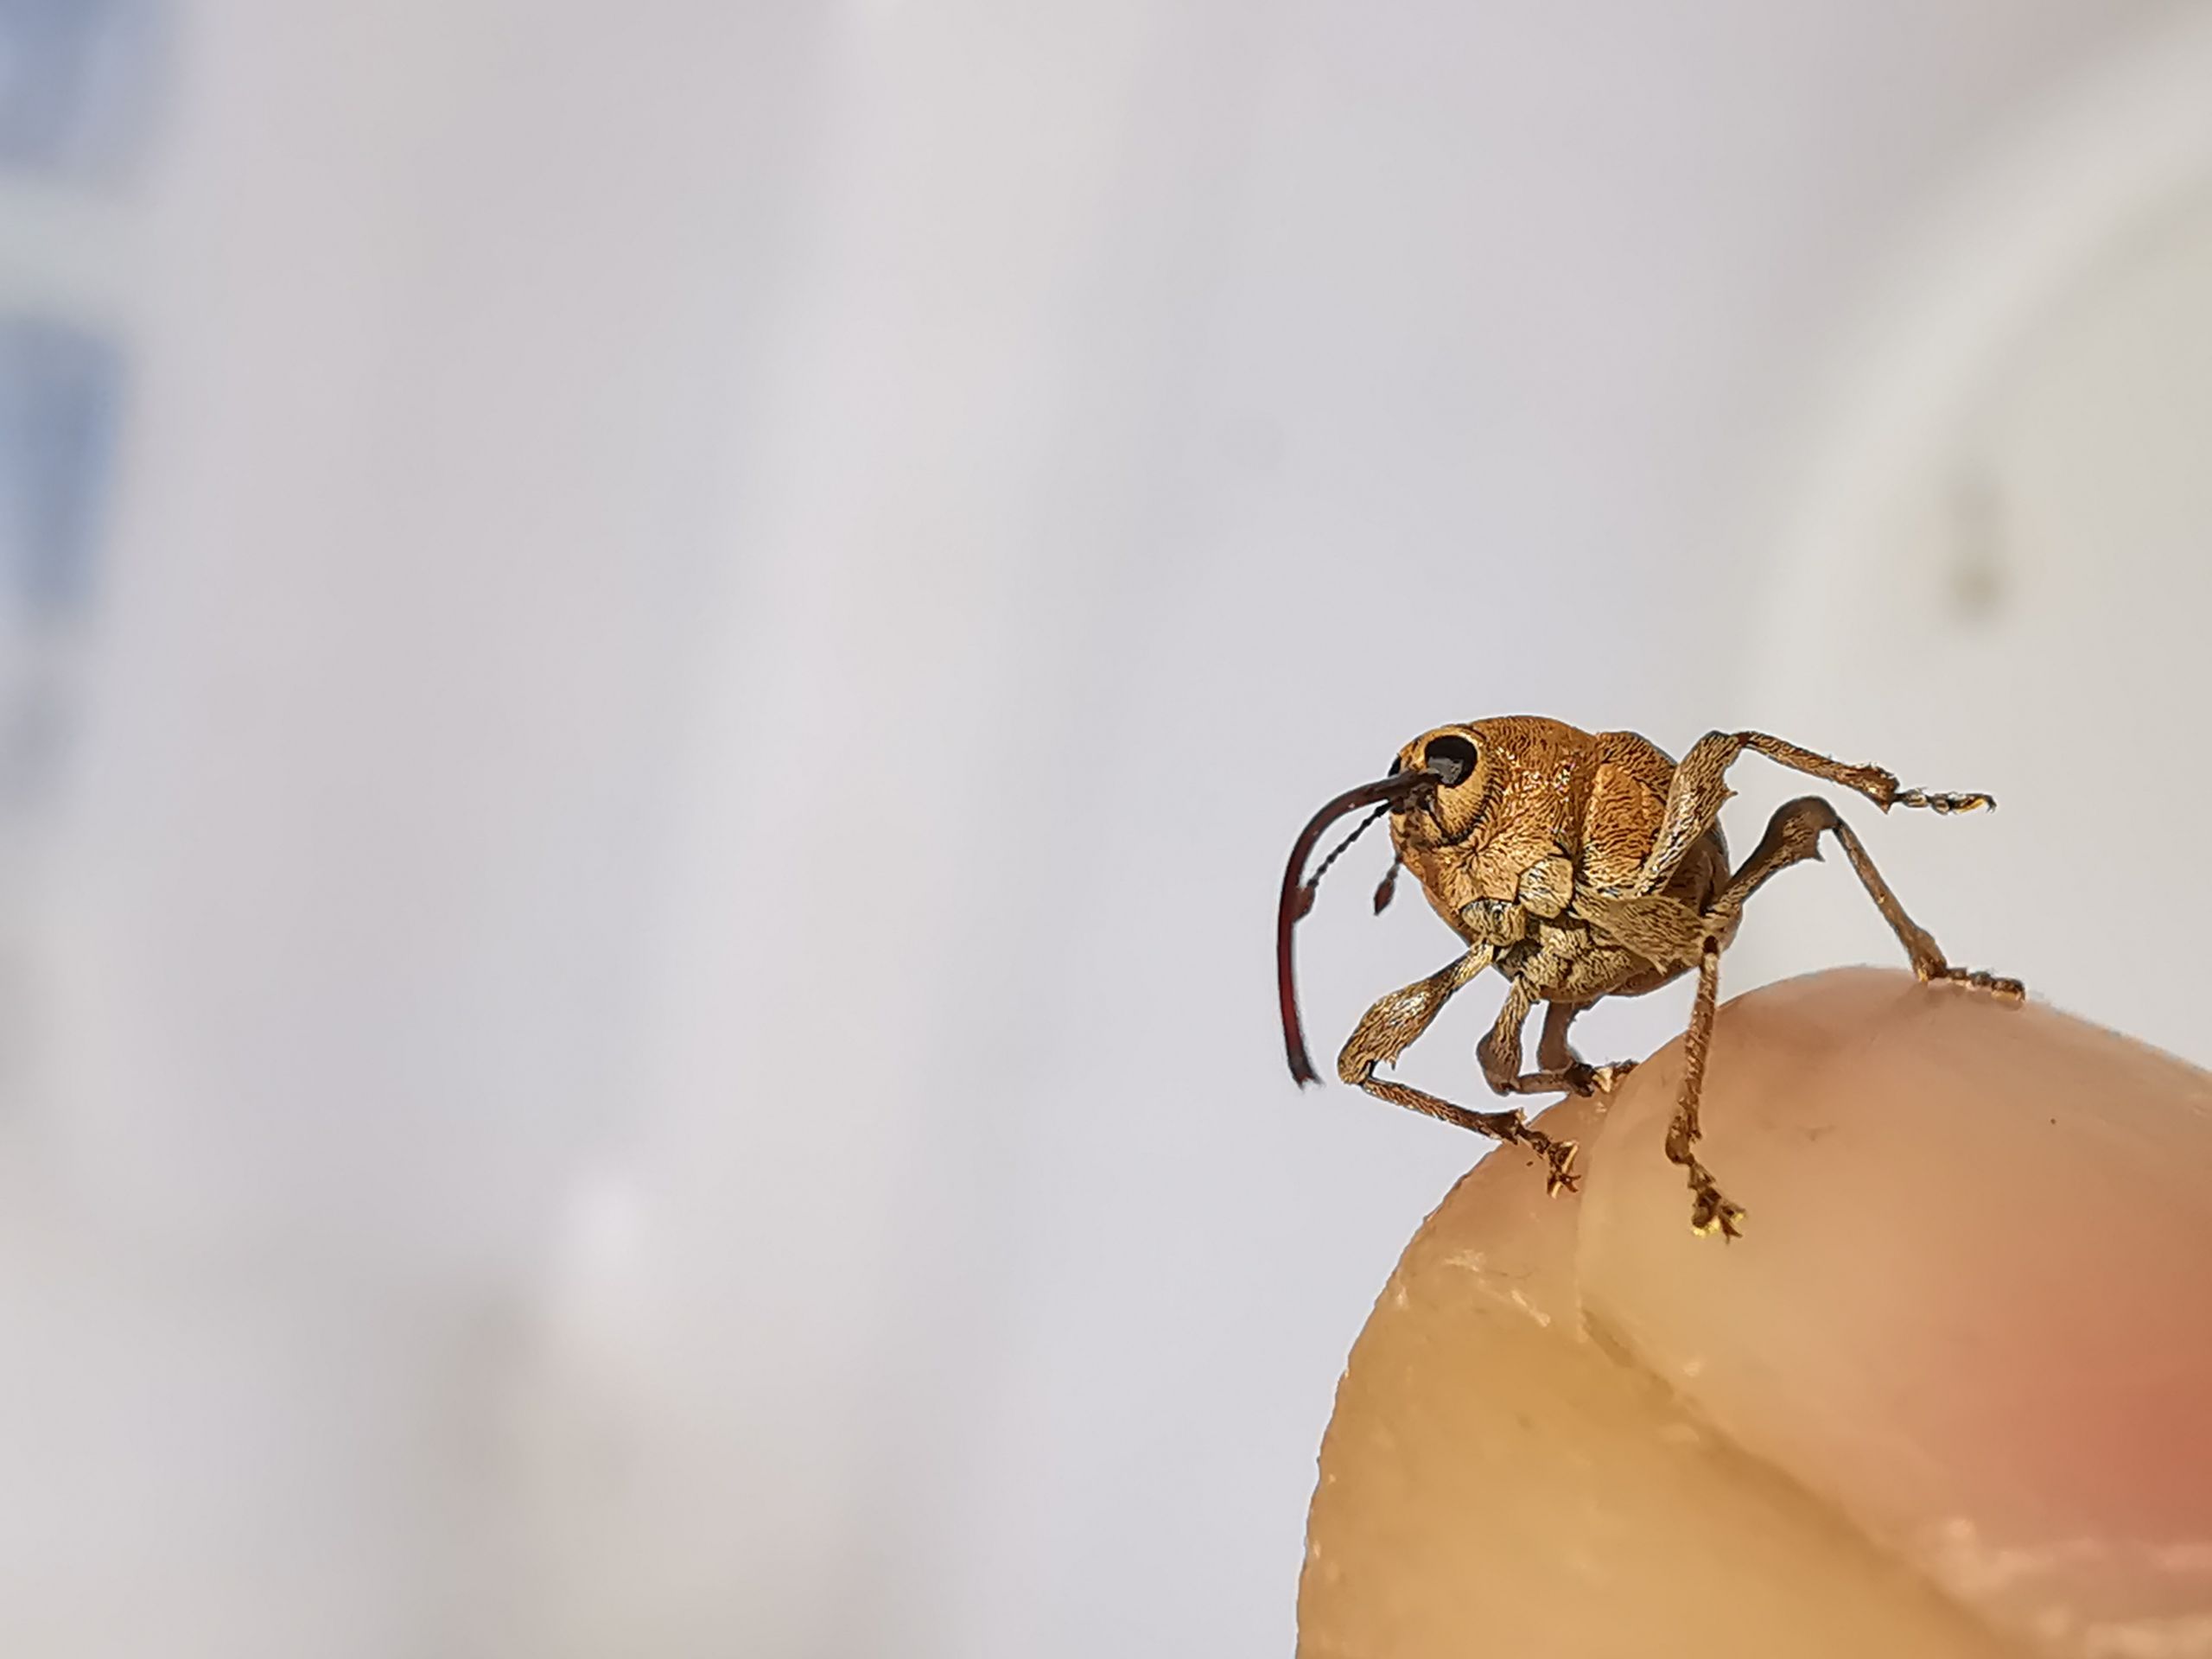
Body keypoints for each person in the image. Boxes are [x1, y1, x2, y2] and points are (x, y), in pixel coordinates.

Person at [1300, 969, 2212, 1658]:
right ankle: (1528, 1132)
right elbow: (1487, 1065)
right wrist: (1513, 1130)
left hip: (1650, 895)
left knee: (1774, 799)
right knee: (1394, 1061)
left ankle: (1707, 1128)